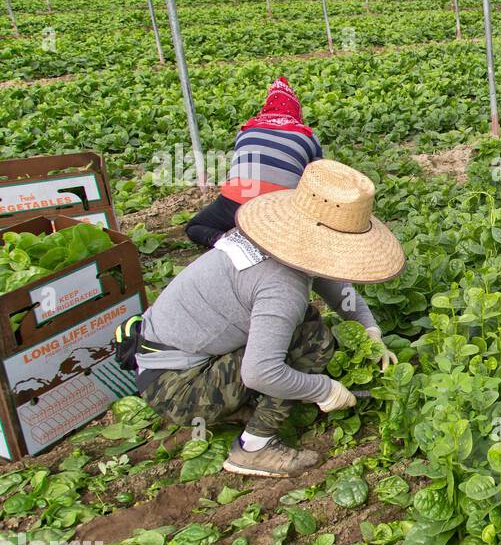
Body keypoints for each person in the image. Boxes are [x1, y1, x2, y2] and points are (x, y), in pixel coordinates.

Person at [119, 160, 404, 477]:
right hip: (176, 388)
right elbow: (260, 373)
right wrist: (324, 389)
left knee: (299, 324)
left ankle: (242, 406)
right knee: (310, 339)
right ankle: (255, 448)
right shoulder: (282, 287)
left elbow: (336, 288)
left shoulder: (280, 241)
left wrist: (370, 332)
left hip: (162, 354)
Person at [185, 76, 323, 248]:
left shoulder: (246, 130)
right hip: (282, 207)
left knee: (195, 227)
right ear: (296, 110)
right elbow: (317, 178)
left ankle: (231, 243)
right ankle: (273, 238)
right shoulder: (308, 136)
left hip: (237, 200)